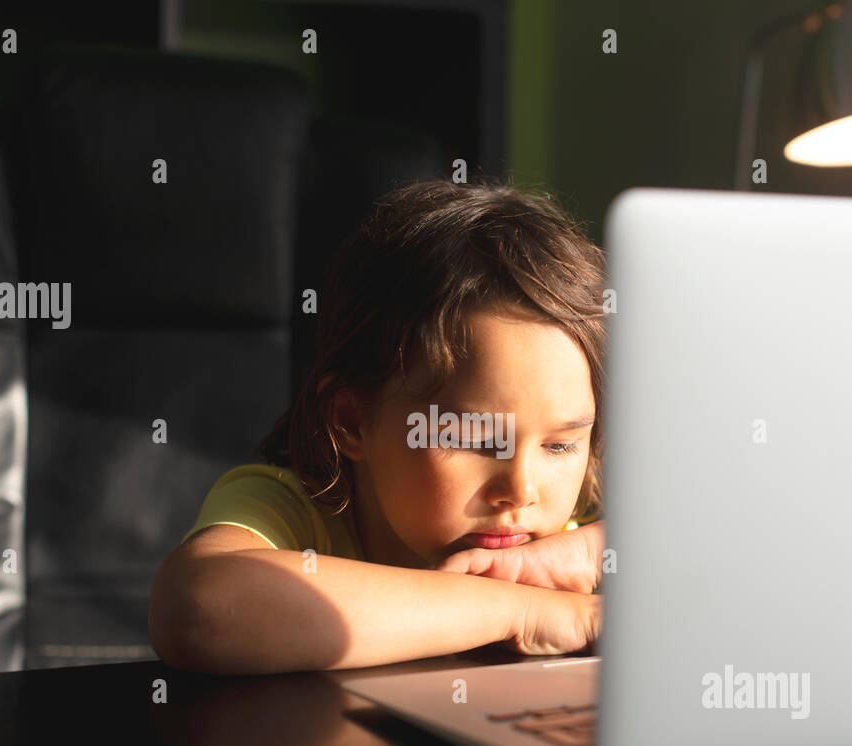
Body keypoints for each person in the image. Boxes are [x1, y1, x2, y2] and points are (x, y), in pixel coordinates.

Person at [149, 177, 608, 673]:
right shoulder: (292, 514)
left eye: (560, 446)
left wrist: (590, 550)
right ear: (352, 421)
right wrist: (523, 613)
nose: (521, 489)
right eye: (473, 439)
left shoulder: (558, 540)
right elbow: (202, 609)